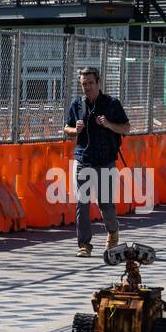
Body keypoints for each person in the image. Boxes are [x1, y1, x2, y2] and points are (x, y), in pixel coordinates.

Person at [65, 66, 131, 257]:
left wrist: (109, 124)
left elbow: (126, 128)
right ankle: (84, 245)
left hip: (105, 160)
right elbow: (66, 129)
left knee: (105, 204)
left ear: (99, 82)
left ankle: (113, 232)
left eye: (91, 83)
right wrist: (74, 130)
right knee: (82, 202)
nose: (87, 87)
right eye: (84, 84)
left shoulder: (111, 104)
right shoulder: (77, 104)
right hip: (82, 159)